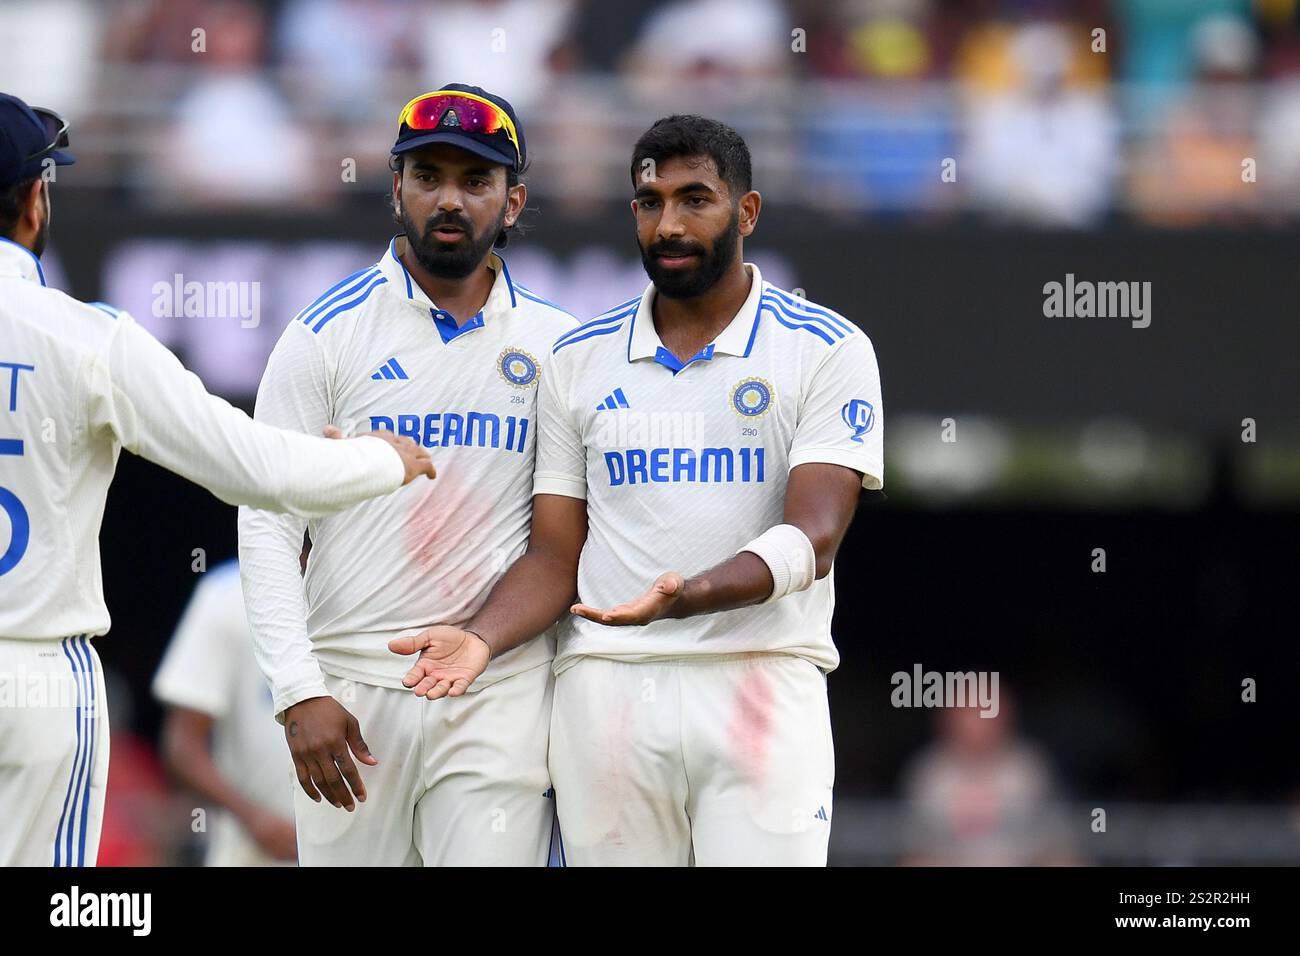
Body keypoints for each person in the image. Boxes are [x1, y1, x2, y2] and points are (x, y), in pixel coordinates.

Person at [393, 114, 885, 866]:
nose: (670, 225)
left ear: (747, 212)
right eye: (651, 203)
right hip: (610, 692)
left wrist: (688, 595)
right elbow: (556, 556)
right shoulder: (578, 358)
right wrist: (483, 637)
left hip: (760, 676)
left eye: (696, 200)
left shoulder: (826, 347)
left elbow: (814, 540)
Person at [0, 92, 435, 867]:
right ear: (35, 200)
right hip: (36, 674)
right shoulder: (86, 339)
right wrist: (379, 459)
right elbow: (255, 468)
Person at [238, 84, 576, 866]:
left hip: (497, 691)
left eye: (475, 180)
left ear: (514, 200)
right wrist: (298, 690)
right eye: (428, 176)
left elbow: (562, 543)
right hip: (351, 690)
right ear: (396, 187)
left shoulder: (560, 346)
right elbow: (267, 524)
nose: (449, 199)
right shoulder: (323, 335)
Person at [154, 560, 297, 866]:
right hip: (254, 852)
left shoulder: (370, 584)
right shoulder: (226, 594)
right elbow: (182, 747)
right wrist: (253, 818)